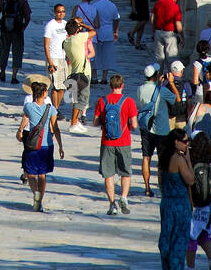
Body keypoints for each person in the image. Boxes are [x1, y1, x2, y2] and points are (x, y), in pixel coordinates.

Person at [17, 74, 65, 211]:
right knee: (42, 175)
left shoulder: (28, 107)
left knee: (30, 174)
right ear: (44, 94)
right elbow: (55, 128)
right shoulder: (51, 109)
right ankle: (40, 200)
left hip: (32, 144)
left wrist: (20, 131)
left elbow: (25, 119)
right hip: (46, 145)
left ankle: (35, 194)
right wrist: (61, 146)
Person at [93, 74, 138, 215]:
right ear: (122, 85)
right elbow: (135, 125)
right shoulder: (129, 101)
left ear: (110, 86)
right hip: (124, 140)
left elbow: (95, 122)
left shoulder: (103, 101)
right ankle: (123, 197)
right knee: (125, 172)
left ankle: (112, 205)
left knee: (108, 174)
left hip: (107, 141)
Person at [157, 129, 195, 270]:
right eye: (185, 141)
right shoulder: (178, 159)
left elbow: (160, 182)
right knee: (179, 239)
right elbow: (190, 180)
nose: (187, 144)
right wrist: (188, 160)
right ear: (176, 142)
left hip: (166, 202)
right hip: (180, 204)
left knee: (166, 237)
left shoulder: (163, 158)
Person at [185, 131, 211, 270]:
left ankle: (191, 269)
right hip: (208, 205)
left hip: (193, 204)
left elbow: (188, 183)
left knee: (190, 237)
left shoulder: (191, 160)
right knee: (205, 234)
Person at [136, 65, 175, 197]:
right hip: (161, 128)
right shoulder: (162, 90)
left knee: (146, 157)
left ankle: (147, 188)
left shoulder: (139, 89)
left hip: (146, 126)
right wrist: (169, 83)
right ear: (156, 75)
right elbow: (175, 99)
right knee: (162, 160)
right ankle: (161, 188)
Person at [0, 0, 31, 84]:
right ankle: (14, 76)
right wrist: (24, 26)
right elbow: (27, 15)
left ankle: (2, 72)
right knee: (17, 52)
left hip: (5, 30)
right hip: (18, 30)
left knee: (4, 50)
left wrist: (1, 23)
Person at [64, 16, 94, 133]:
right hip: (82, 73)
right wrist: (84, 26)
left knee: (76, 99)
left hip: (74, 72)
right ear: (77, 30)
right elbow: (93, 31)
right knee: (82, 99)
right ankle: (73, 123)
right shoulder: (78, 38)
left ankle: (75, 122)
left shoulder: (66, 42)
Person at [43, 3, 69, 110]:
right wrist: (50, 62)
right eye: (59, 11)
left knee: (62, 86)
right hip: (53, 57)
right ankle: (55, 109)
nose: (61, 13)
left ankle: (57, 108)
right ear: (55, 12)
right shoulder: (50, 25)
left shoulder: (65, 24)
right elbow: (46, 44)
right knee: (55, 86)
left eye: (63, 11)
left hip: (63, 58)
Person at [93, 0, 120, 85]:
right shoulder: (113, 5)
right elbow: (116, 19)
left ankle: (94, 77)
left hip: (98, 32)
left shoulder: (95, 5)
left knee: (95, 55)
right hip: (109, 32)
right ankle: (104, 77)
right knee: (106, 55)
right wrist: (115, 31)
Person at [151, 0, 183, 69]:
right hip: (170, 34)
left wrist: (154, 30)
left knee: (159, 58)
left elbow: (152, 18)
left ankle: (159, 78)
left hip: (158, 32)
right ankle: (171, 77)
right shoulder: (176, 7)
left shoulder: (159, 3)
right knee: (171, 58)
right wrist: (182, 36)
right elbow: (178, 24)